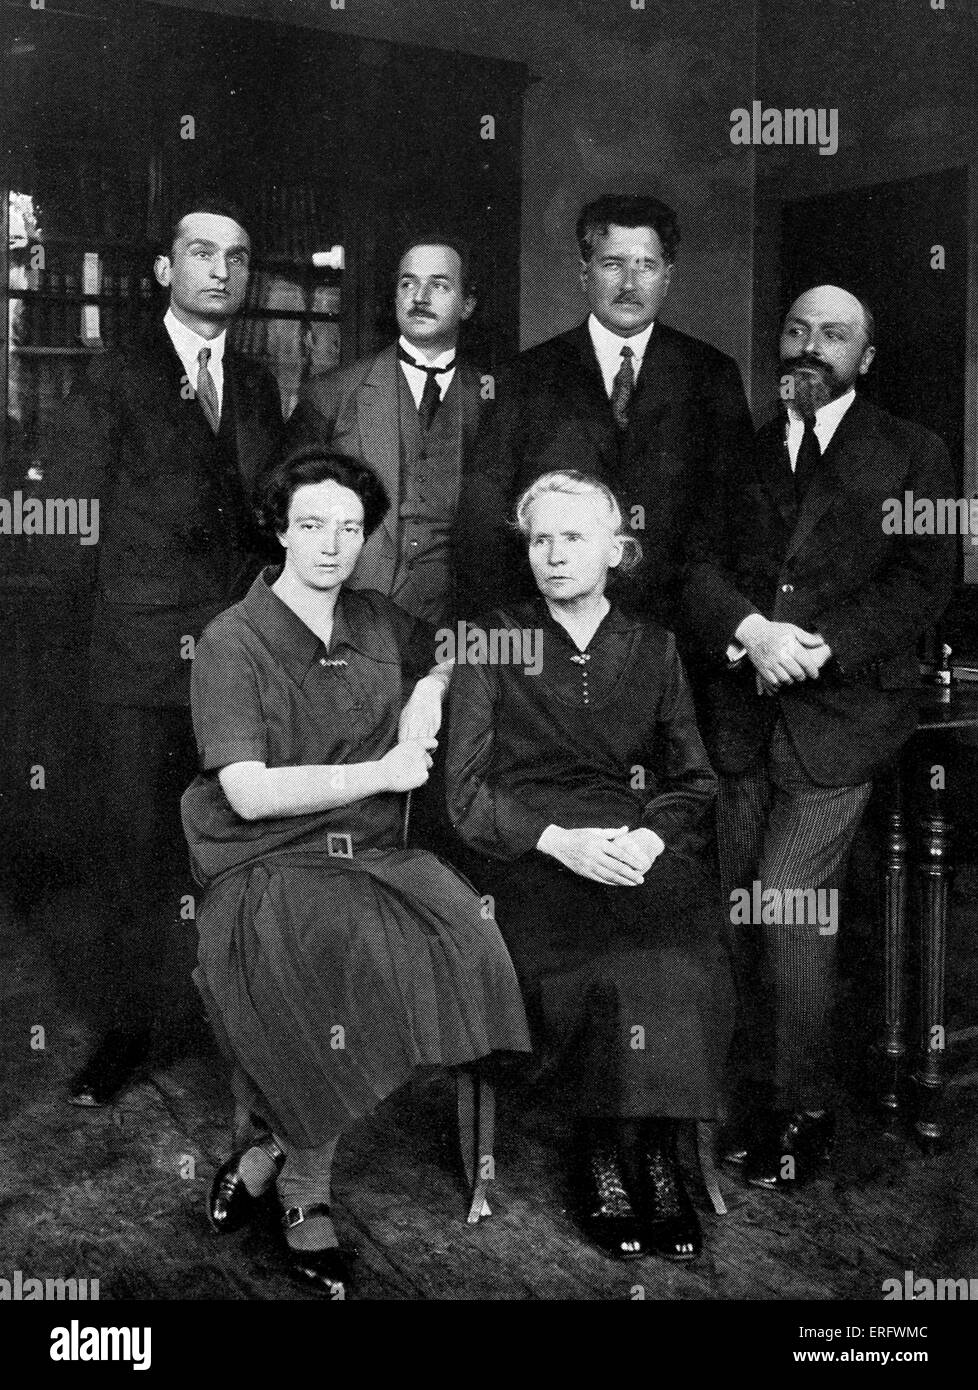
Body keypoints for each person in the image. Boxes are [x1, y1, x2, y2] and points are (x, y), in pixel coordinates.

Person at [181, 448, 530, 1297]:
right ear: (279, 529)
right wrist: (379, 774)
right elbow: (250, 792)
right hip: (264, 863)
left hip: (372, 854)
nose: (332, 545)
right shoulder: (233, 639)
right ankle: (306, 1193)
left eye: (349, 528)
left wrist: (432, 688)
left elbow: (464, 639)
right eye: (312, 526)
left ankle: (266, 1147)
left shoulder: (377, 620)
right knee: (346, 953)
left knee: (467, 945)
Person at [680, 284, 956, 1188]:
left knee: (787, 900)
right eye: (797, 329)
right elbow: (697, 566)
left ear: (865, 359)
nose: (811, 345)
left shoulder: (915, 451)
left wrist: (818, 650)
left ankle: (804, 1111)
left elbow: (925, 581)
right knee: (738, 910)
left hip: (840, 722)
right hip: (740, 718)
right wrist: (750, 633)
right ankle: (746, 1095)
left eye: (833, 334)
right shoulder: (741, 449)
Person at [445, 470, 733, 1263]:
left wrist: (646, 840)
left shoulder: (656, 648)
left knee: (678, 954)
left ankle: (658, 1154)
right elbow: (465, 796)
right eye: (540, 539)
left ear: (617, 550)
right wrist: (556, 841)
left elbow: (693, 779)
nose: (554, 555)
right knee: (606, 966)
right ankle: (602, 1153)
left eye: (574, 538)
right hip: (531, 856)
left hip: (636, 844)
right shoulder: (490, 641)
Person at [43, 195, 284, 1107]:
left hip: (235, 667)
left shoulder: (257, 383)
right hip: (138, 667)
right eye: (200, 252)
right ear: (163, 272)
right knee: (135, 854)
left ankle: (225, 1018)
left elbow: (267, 522)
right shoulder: (113, 378)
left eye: (237, 255)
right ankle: (125, 1033)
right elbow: (68, 533)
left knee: (229, 845)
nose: (220, 269)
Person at [454, 193, 753, 627]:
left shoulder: (712, 375)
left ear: (668, 276)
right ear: (584, 273)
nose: (629, 284)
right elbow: (485, 520)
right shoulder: (525, 376)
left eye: (646, 266)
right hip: (551, 630)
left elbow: (737, 517)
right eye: (613, 264)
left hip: (678, 634)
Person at [284, 232, 485, 629]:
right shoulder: (332, 393)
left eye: (439, 285)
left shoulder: (493, 399)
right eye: (407, 283)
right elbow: (287, 508)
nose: (419, 298)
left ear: (468, 304)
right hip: (349, 616)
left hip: (455, 623)